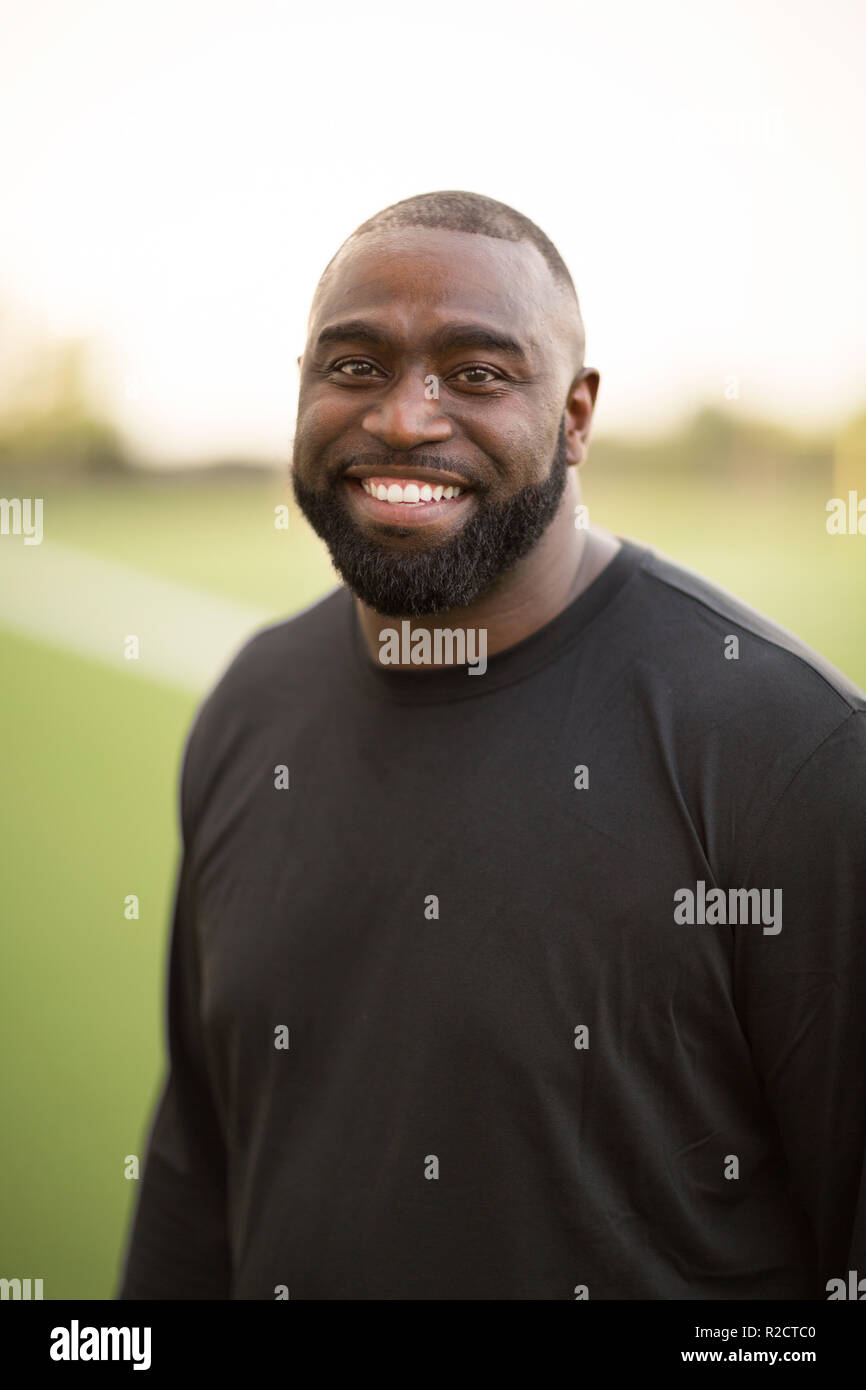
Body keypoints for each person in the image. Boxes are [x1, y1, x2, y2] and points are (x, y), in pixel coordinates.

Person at [118, 191, 866, 1301]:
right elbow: (195, 1161)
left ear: (573, 417)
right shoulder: (248, 706)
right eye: (356, 364)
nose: (405, 420)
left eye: (475, 373)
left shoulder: (789, 754)